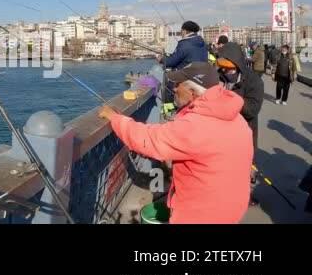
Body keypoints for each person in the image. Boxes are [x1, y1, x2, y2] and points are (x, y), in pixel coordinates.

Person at [98, 62, 252, 224]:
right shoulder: (235, 117)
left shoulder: (195, 126)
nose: (175, 88)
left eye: (179, 85)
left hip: (203, 215)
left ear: (192, 92)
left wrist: (116, 119)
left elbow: (148, 139)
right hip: (232, 207)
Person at [217, 43, 264, 151]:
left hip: (243, 134)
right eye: (223, 68)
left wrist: (228, 97)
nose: (225, 71)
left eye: (229, 68)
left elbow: (252, 110)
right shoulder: (218, 76)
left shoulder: (254, 81)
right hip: (220, 134)